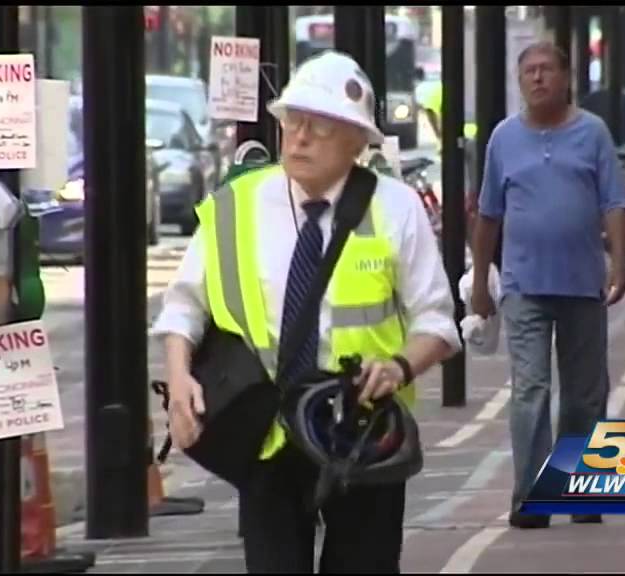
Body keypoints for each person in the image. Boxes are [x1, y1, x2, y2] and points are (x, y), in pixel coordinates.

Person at [150, 50, 461, 573]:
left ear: (358, 141)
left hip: (361, 432)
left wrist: (401, 366)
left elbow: (437, 322)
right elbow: (185, 305)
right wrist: (178, 377)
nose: (298, 137)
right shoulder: (235, 205)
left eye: (318, 127)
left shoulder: (397, 208)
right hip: (267, 432)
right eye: (293, 122)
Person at [469, 41, 625, 530]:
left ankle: (584, 493)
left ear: (566, 77)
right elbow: (488, 214)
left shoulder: (592, 133)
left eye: (546, 70)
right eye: (529, 72)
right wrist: (480, 281)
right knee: (531, 390)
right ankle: (532, 497)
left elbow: (614, 203)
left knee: (585, 394)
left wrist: (619, 265)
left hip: (583, 284)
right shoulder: (503, 139)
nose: (537, 79)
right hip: (524, 286)